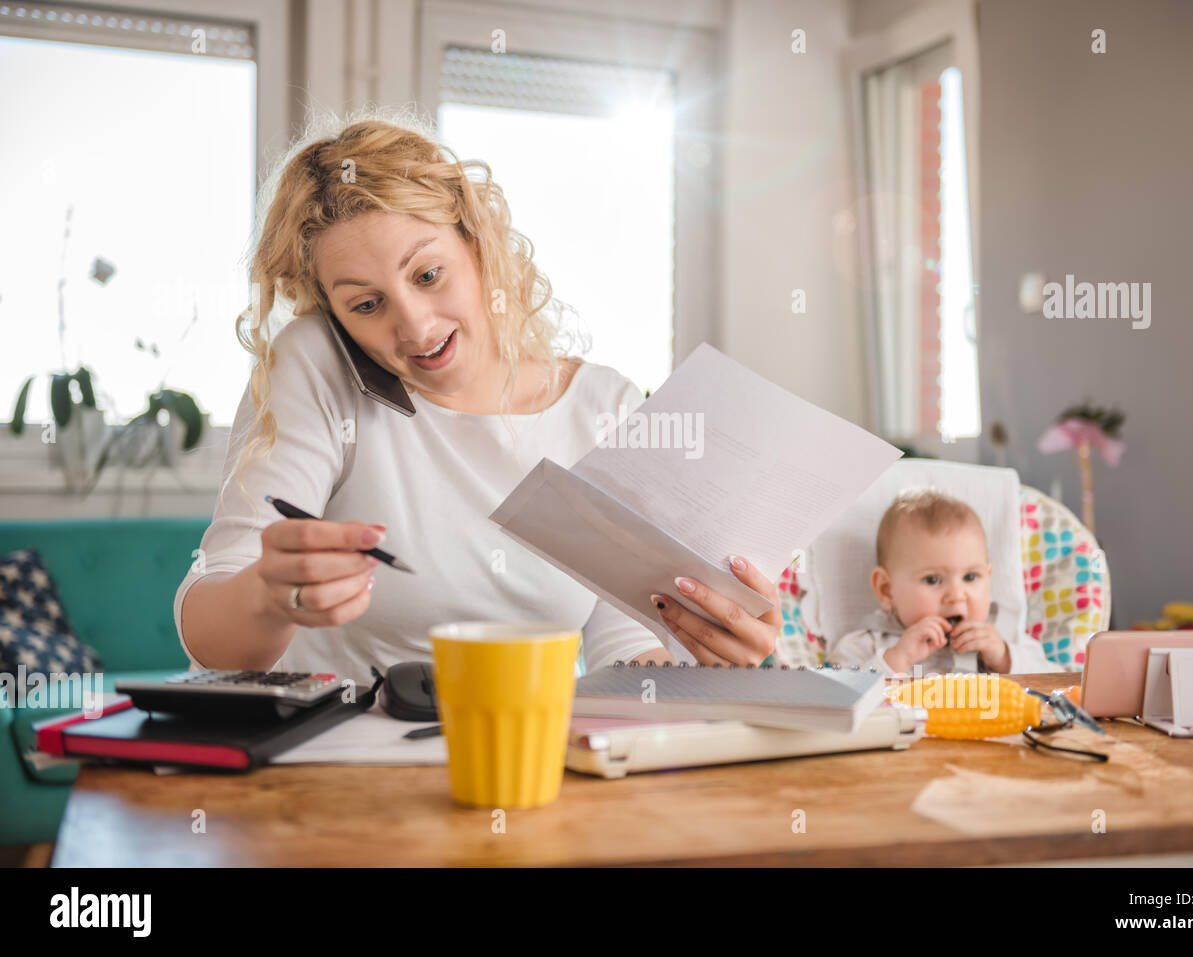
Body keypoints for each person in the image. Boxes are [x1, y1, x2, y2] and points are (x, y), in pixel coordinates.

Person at [174, 108, 779, 682]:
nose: (412, 326)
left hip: (522, 757)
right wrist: (268, 596)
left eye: (428, 275)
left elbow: (622, 647)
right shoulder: (318, 364)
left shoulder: (603, 405)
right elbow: (214, 629)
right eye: (366, 304)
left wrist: (705, 659)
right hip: (342, 768)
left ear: (477, 243)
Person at [825, 489, 1060, 676]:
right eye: (933, 579)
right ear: (886, 590)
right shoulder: (866, 645)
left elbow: (1056, 686)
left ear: (989, 577)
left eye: (970, 577)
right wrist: (897, 660)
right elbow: (835, 699)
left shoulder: (1004, 636)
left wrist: (1004, 658)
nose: (956, 595)